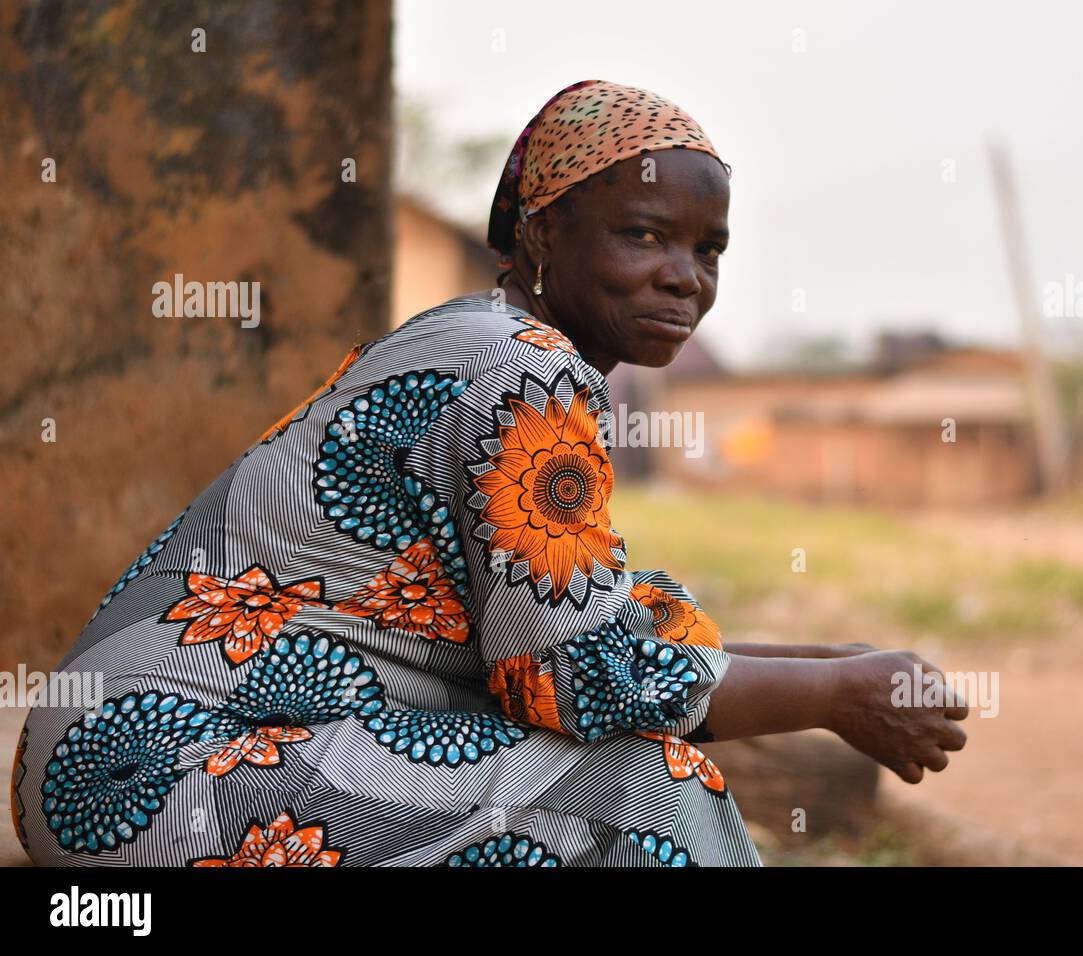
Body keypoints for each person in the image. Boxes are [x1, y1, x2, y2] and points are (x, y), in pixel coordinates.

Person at [10, 79, 966, 868]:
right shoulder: (525, 372)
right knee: (637, 786)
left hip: (114, 767)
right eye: (644, 235)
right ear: (543, 236)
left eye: (707, 249)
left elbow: (591, 625)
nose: (687, 277)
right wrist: (838, 695)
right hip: (157, 782)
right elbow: (575, 682)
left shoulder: (477, 338)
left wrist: (837, 668)